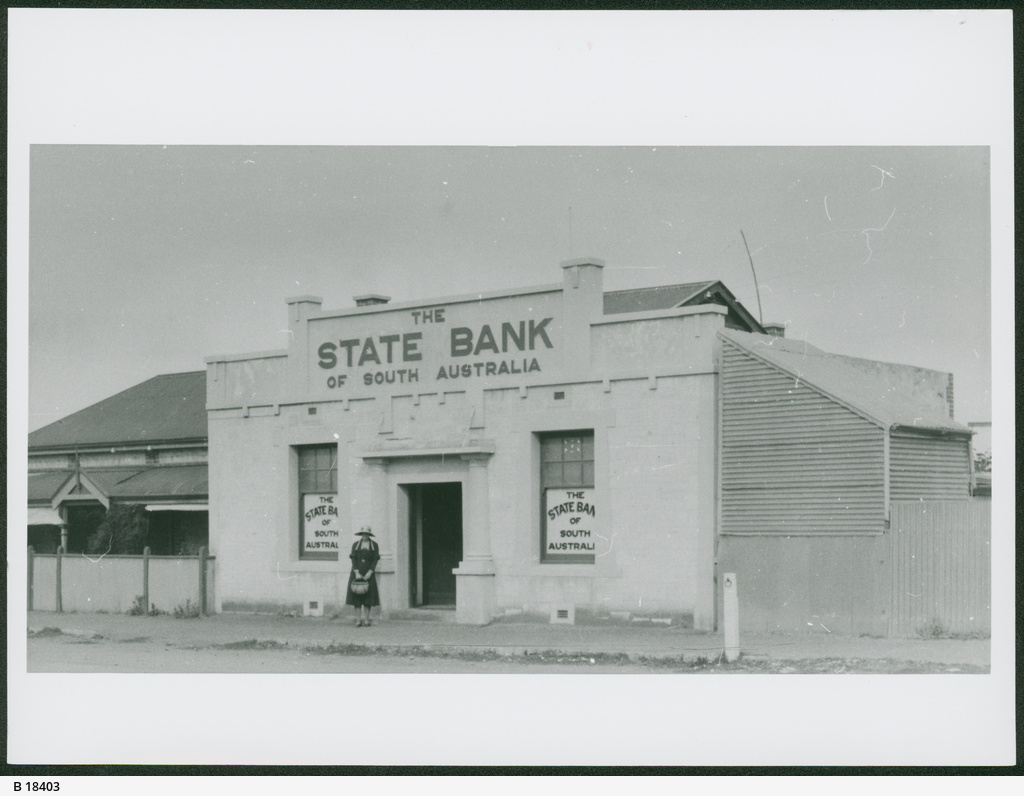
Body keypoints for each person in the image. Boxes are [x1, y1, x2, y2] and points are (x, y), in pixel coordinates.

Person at [346, 527, 380, 627]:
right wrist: (356, 571)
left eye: (367, 534)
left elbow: (375, 560)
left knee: (368, 598)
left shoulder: (374, 545)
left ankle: (366, 619)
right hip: (357, 573)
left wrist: (370, 572)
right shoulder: (356, 545)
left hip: (368, 574)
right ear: (361, 534)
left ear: (369, 535)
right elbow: (353, 559)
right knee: (357, 596)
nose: (365, 535)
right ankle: (358, 619)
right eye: (363, 534)